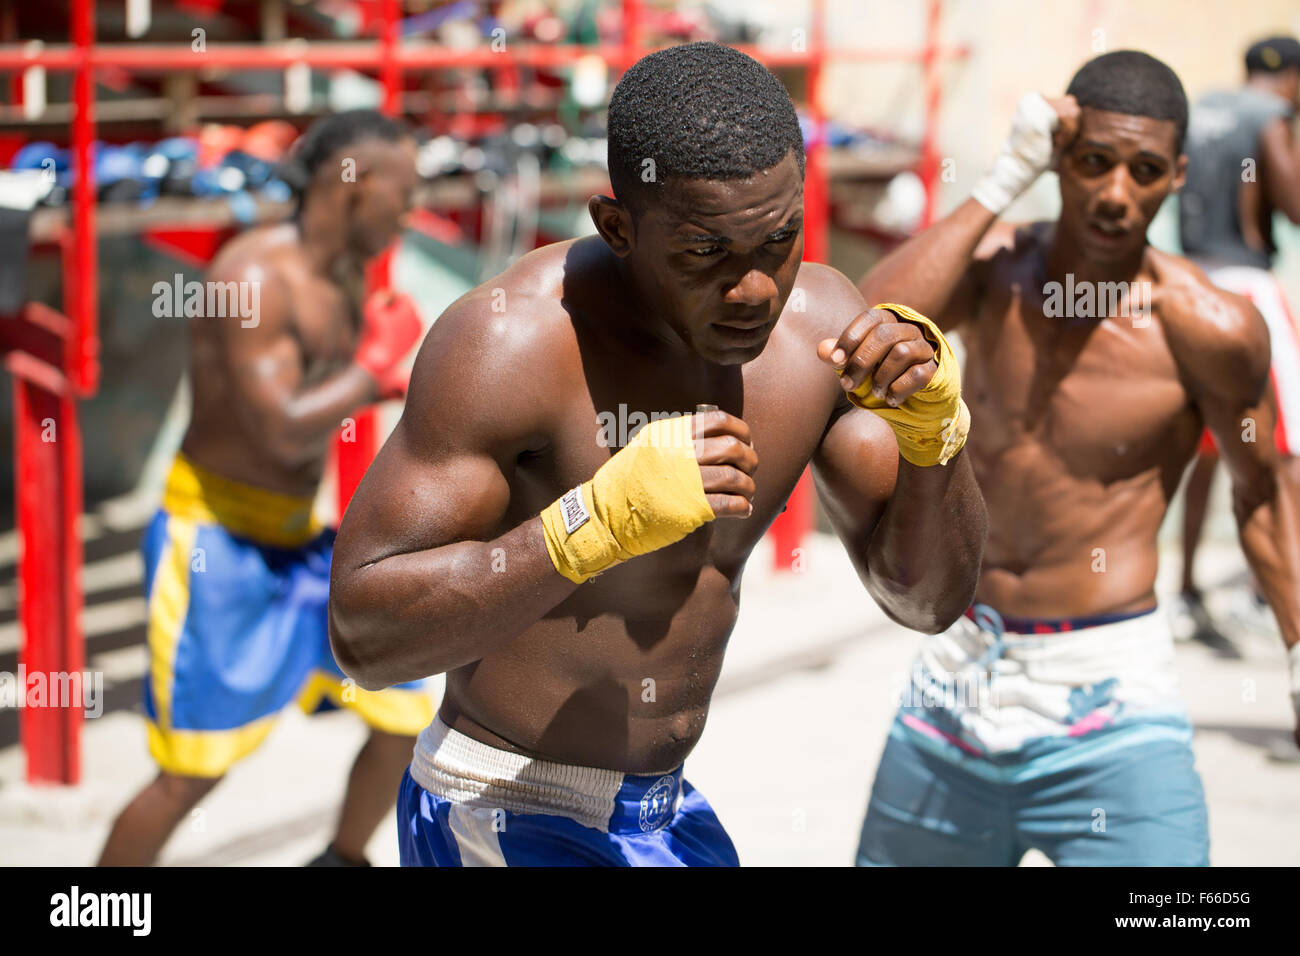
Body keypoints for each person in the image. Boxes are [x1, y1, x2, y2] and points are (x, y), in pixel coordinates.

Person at [327, 42, 987, 867]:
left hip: (665, 813)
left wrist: (937, 439)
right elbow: (363, 636)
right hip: (504, 807)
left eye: (778, 240)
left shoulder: (820, 333)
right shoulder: (515, 341)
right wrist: (591, 526)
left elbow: (927, 603)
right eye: (705, 252)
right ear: (618, 226)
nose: (753, 289)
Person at [854, 50, 1300, 866]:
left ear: (1175, 178)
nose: (1115, 193)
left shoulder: (1208, 326)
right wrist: (1000, 182)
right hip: (954, 684)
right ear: (1059, 158)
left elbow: (1263, 495)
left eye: (1144, 170)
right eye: (1093, 162)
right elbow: (865, 324)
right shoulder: (995, 277)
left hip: (1112, 702)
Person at [98, 110, 431, 867]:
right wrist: (373, 369)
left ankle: (341, 859)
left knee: (401, 712)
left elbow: (331, 398)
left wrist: (397, 382)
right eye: (404, 194)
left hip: (297, 541)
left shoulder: (343, 274)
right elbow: (279, 428)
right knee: (190, 775)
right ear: (357, 188)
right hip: (214, 544)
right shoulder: (249, 275)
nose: (413, 212)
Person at [1175, 35, 1300, 641]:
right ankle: (1271, 592)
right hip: (1248, 290)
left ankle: (1187, 592)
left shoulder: (1200, 110)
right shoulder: (1270, 117)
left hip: (1194, 282)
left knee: (1204, 448)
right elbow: (1294, 203)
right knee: (1287, 449)